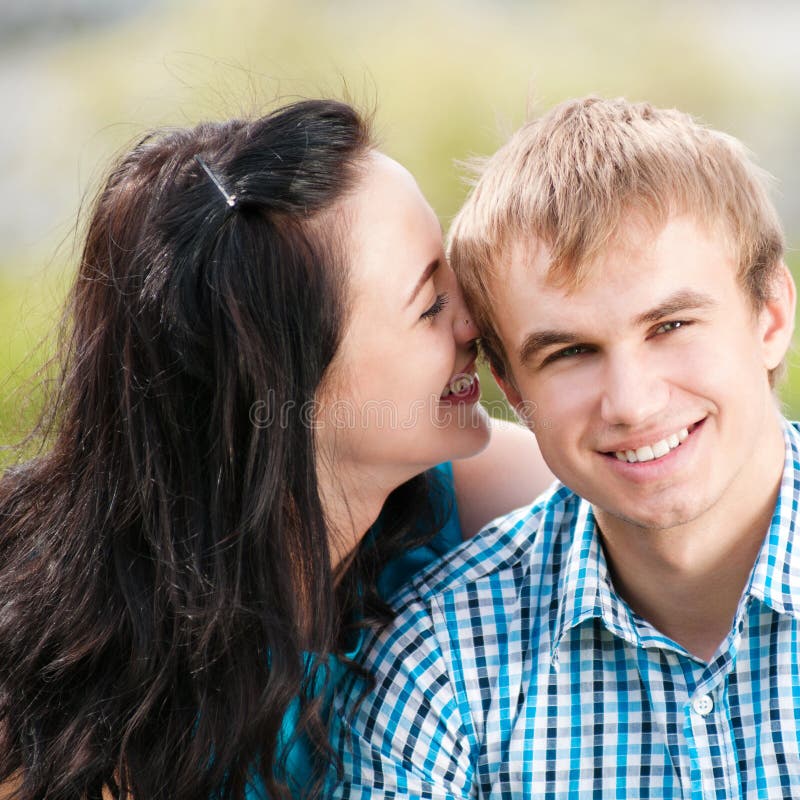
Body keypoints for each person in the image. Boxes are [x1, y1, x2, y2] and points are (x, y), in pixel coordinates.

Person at [0, 100, 553, 800]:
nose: (476, 320)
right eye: (429, 306)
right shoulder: (57, 685)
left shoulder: (486, 496)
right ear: (283, 391)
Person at [330, 96, 800, 799]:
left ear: (770, 317)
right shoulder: (437, 665)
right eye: (570, 352)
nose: (632, 403)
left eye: (670, 326)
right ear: (512, 390)